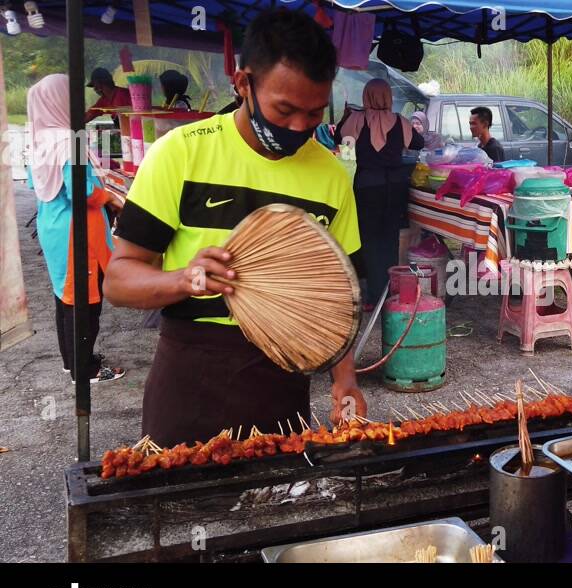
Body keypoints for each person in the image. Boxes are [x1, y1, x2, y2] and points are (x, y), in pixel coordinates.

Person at [104, 9, 365, 448]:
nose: (300, 127)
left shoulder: (332, 175)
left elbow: (341, 296)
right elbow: (118, 280)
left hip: (282, 379)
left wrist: (345, 381)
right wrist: (184, 279)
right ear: (243, 83)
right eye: (285, 110)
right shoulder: (180, 155)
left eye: (315, 113)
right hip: (189, 373)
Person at [26, 74, 126, 384]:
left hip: (51, 225)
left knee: (64, 295)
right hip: (77, 232)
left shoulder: (38, 139)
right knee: (86, 301)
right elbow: (82, 192)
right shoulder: (70, 142)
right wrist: (111, 195)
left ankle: (73, 363)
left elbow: (34, 184)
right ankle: (87, 371)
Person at [335, 79, 424, 307]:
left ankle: (374, 296)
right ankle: (390, 293)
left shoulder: (355, 119)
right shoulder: (400, 121)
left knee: (369, 239)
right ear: (388, 97)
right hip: (395, 187)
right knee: (390, 239)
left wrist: (346, 117)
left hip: (367, 186)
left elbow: (339, 139)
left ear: (366, 96)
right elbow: (419, 142)